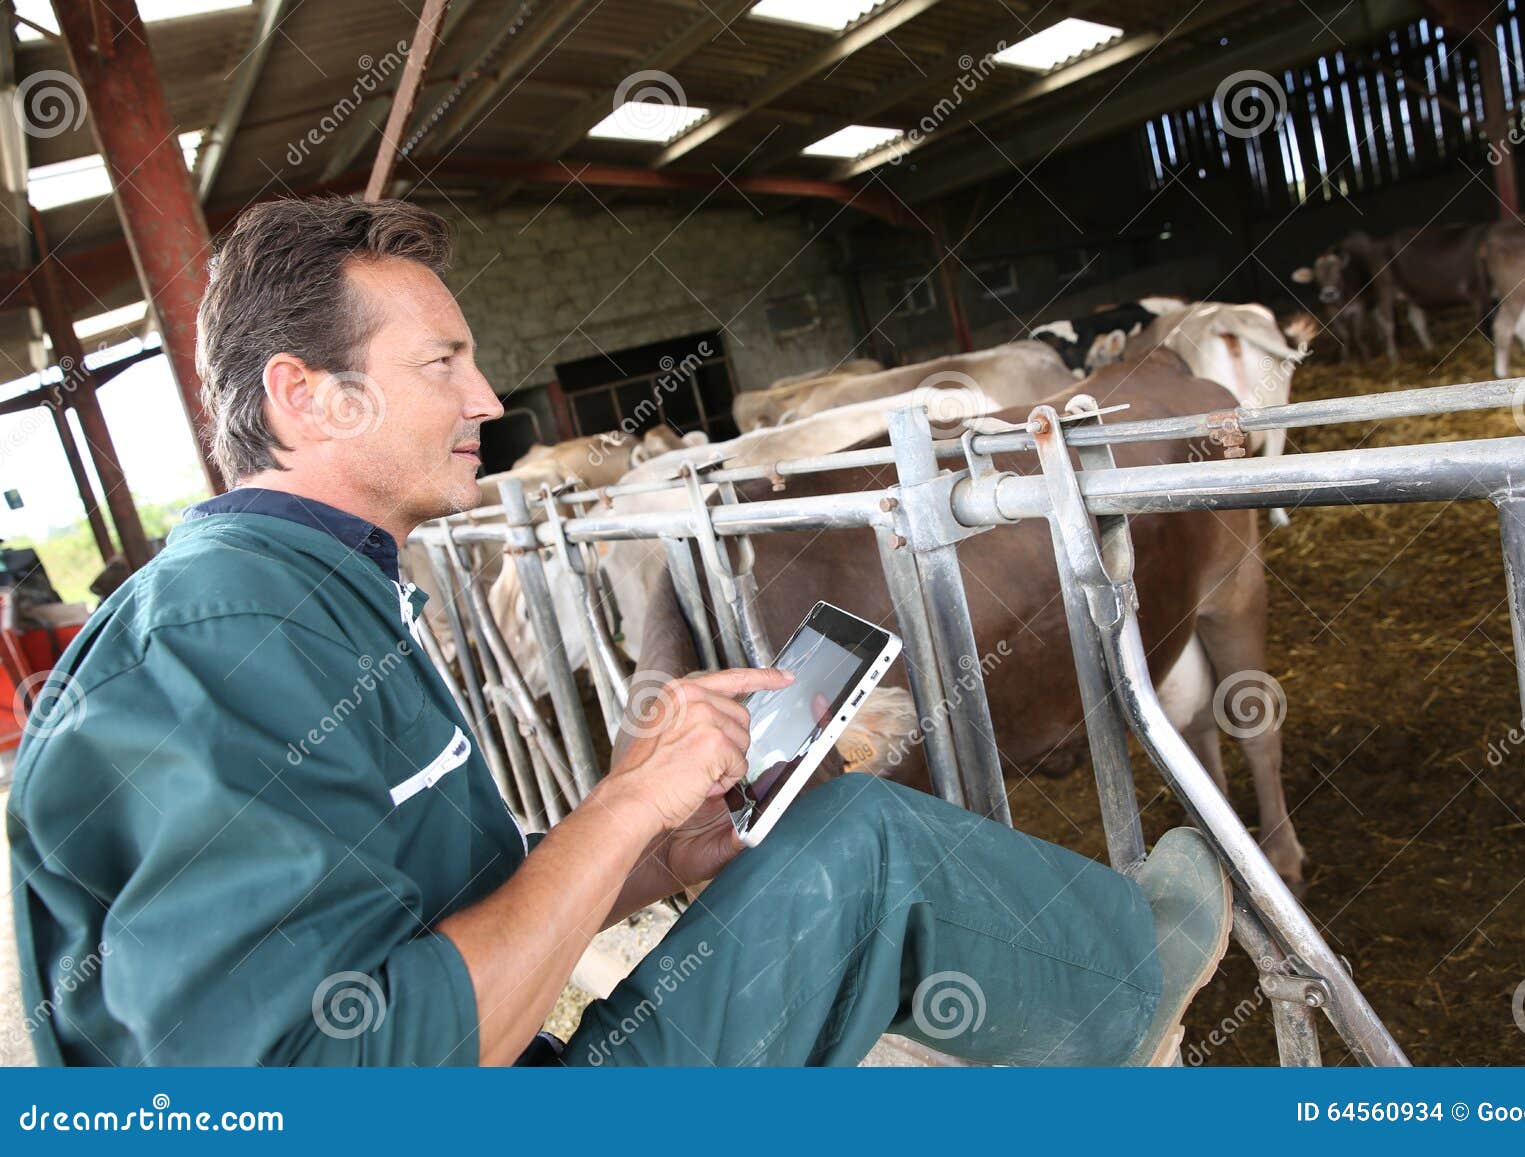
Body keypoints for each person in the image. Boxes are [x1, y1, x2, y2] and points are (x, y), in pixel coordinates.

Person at [7, 197, 1230, 1067]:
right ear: (304, 394)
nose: (488, 399)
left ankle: (1099, 999)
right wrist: (620, 806)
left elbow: (415, 940)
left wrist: (650, 855)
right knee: (873, 857)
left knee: (836, 825)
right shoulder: (224, 639)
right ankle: (1129, 987)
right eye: (445, 361)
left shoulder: (305, 594)